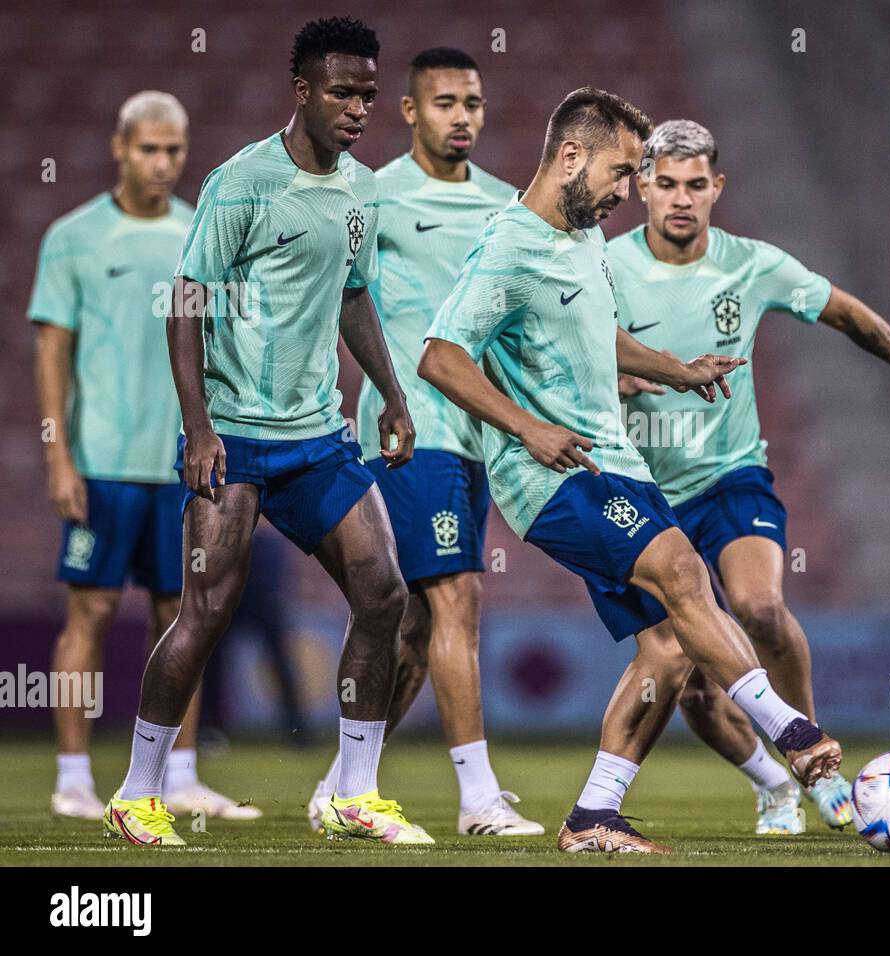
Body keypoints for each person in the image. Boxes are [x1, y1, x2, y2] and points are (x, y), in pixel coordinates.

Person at [420, 87, 842, 854]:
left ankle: (592, 818)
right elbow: (440, 356)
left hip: (614, 464)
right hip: (556, 475)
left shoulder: (579, 239)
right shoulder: (508, 248)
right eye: (622, 173)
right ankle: (797, 736)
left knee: (669, 651)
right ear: (572, 157)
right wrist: (525, 428)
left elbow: (598, 332)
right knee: (684, 572)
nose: (627, 193)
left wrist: (674, 369)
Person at [103, 17, 431, 847]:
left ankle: (355, 794)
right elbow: (188, 302)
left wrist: (391, 393)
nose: (358, 108)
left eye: (367, 93)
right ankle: (137, 793)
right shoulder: (241, 183)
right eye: (341, 91)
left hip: (317, 437)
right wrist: (199, 426)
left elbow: (356, 297)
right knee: (204, 613)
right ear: (302, 91)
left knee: (385, 594)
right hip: (237, 438)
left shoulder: (361, 190)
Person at [606, 119, 890, 834]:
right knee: (693, 690)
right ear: (641, 186)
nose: (681, 199)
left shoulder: (753, 263)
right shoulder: (602, 269)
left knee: (760, 609)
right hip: (643, 496)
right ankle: (773, 784)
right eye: (666, 184)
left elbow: (846, 314)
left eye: (696, 185)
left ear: (718, 188)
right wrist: (616, 380)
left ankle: (812, 752)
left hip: (730, 477)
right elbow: (558, 361)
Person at [309, 46, 542, 837]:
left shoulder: (509, 207)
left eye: (472, 103)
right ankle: (478, 799)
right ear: (410, 111)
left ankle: (342, 783)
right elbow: (342, 297)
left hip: (476, 439)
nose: (462, 117)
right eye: (444, 102)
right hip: (411, 431)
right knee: (457, 601)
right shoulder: (374, 195)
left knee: (410, 623)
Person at [30, 90, 259, 823]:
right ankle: (72, 774)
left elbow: (221, 353)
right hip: (101, 466)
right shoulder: (73, 236)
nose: (163, 163)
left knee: (184, 611)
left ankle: (180, 773)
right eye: (149, 149)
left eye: (174, 150)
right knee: (90, 612)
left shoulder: (201, 237)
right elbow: (52, 354)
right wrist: (58, 459)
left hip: (183, 468)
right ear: (120, 149)